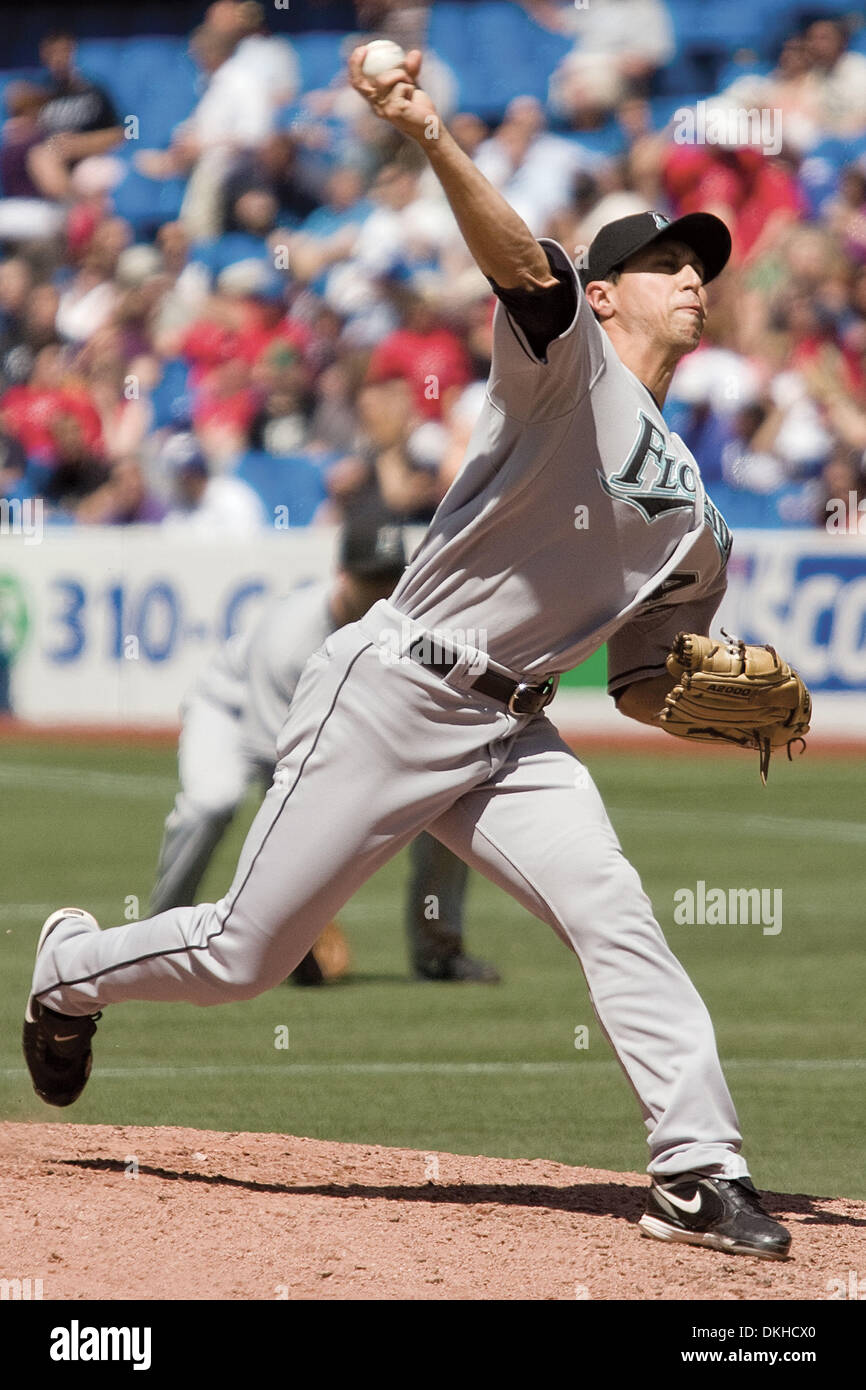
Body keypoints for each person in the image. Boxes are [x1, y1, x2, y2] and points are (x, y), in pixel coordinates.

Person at [24, 45, 794, 1262]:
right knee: (242, 958)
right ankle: (69, 967)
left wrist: (707, 700)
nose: (692, 277)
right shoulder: (568, 368)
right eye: (662, 263)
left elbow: (645, 676)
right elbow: (521, 264)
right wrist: (429, 130)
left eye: (701, 263)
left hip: (510, 731)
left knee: (616, 915)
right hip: (393, 685)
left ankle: (696, 1167)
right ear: (605, 294)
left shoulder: (701, 517)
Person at [149, 514, 496, 984]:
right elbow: (284, 781)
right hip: (233, 713)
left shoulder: (415, 631)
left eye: (392, 578)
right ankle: (159, 939)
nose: (382, 590)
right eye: (372, 577)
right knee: (213, 802)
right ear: (343, 575)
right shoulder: (294, 641)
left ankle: (439, 951)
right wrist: (301, 919)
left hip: (343, 723)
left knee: (448, 800)